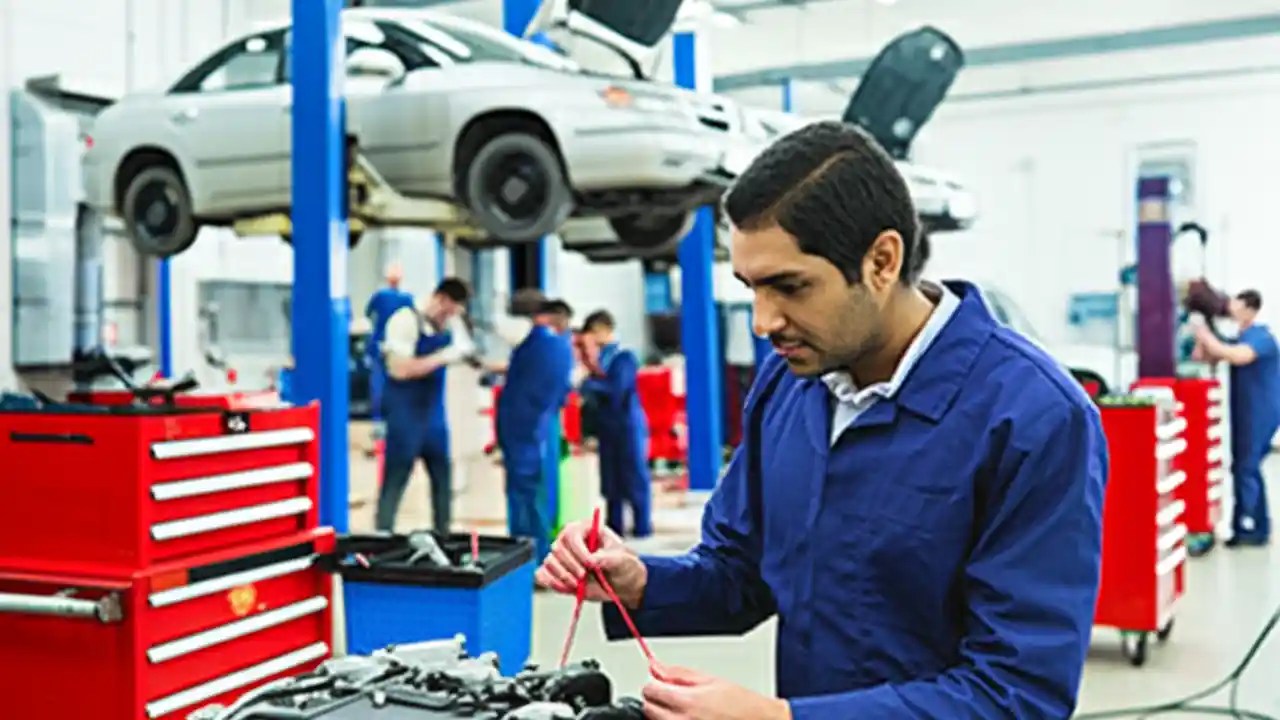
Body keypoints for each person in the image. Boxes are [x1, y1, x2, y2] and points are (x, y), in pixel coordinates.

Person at [536, 121, 1108, 719]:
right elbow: (743, 572)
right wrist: (639, 583)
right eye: (751, 287)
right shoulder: (792, 385)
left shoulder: (1033, 419)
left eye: (789, 287)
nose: (763, 321)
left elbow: (1017, 694)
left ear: (882, 261)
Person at [376, 277, 474, 533]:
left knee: (443, 481)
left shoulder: (452, 323)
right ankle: (381, 540)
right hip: (404, 413)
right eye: (448, 311)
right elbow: (400, 369)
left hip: (433, 415)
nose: (448, 318)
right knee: (395, 479)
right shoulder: (404, 321)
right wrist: (444, 356)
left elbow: (471, 355)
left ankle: (444, 539)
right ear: (439, 299)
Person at [1193, 288, 1279, 547]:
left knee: (1247, 467)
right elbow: (1205, 356)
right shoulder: (1238, 337)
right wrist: (1203, 332)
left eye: (1236, 304)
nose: (1231, 308)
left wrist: (1205, 334)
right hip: (1246, 410)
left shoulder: (1262, 337)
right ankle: (1255, 525)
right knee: (1243, 466)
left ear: (1250, 309)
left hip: (1262, 410)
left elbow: (1239, 357)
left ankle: (1249, 527)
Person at [494, 297, 575, 563]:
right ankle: (540, 557)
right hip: (543, 429)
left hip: (524, 431)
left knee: (526, 499)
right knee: (540, 496)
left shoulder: (537, 345)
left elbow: (522, 393)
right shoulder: (562, 348)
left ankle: (528, 561)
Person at [578, 309, 653, 538]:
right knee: (611, 480)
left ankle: (642, 526)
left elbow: (617, 390)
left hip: (627, 426)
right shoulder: (599, 359)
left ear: (603, 330)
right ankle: (615, 526)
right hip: (607, 428)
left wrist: (587, 385)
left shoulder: (623, 357)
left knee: (633, 476)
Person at [365, 262, 414, 432]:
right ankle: (394, 422)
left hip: (381, 346)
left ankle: (379, 424)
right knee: (398, 385)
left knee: (379, 386)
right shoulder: (406, 299)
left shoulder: (380, 296)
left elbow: (368, 314)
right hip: (398, 348)